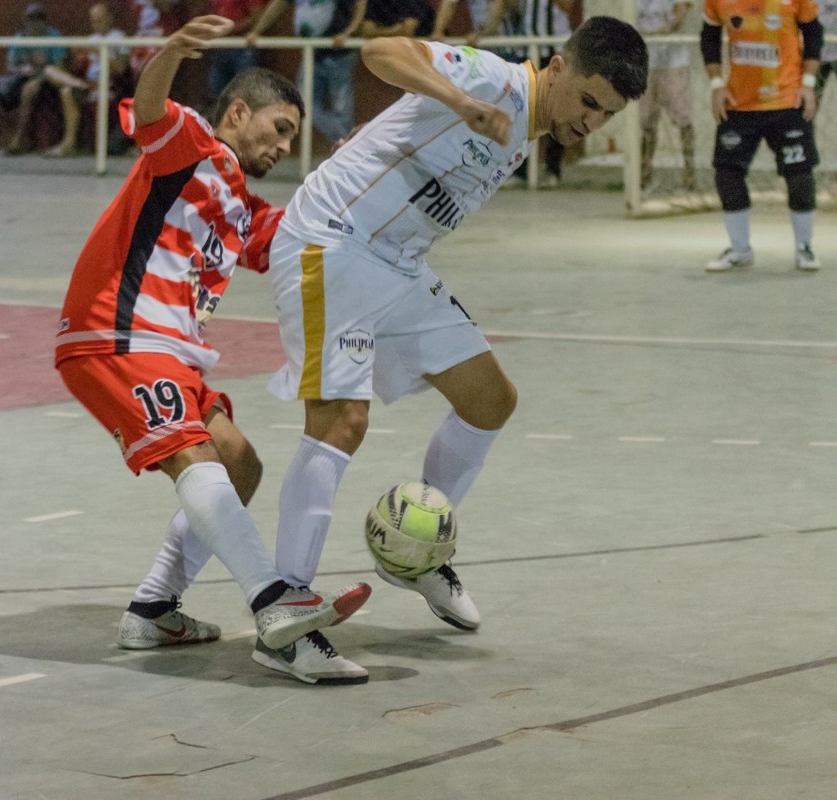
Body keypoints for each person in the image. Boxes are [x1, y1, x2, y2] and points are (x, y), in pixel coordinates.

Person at [261, 17, 647, 683]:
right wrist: (459, 100)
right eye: (587, 100)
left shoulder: (530, 131)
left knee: (490, 399)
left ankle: (415, 549)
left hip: (398, 264)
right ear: (556, 67)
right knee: (339, 421)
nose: (592, 122)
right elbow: (379, 51)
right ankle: (283, 614)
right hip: (334, 240)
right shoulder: (490, 80)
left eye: (606, 113)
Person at [54, 15, 371, 682]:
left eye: (293, 135)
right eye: (278, 128)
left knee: (238, 463)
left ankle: (155, 609)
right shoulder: (191, 146)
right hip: (120, 331)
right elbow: (146, 111)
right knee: (194, 456)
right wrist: (171, 51)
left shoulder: (243, 207)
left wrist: (357, 173)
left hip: (174, 347)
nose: (286, 145)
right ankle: (272, 600)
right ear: (235, 112)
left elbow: (301, 237)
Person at [702, 0, 824, 272]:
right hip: (739, 102)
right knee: (727, 172)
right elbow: (709, 35)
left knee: (800, 173)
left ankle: (804, 247)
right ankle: (740, 249)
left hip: (787, 100)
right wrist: (716, 84)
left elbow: (813, 32)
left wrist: (808, 84)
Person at [481, 0, 579, 187]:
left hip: (554, 47)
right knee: (522, 110)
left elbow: (567, 6)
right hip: (527, 48)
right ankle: (521, 169)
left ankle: (553, 169)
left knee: (558, 112)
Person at [245, 0, 367, 146]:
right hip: (312, 54)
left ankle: (351, 146)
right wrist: (256, 31)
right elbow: (278, 4)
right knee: (304, 104)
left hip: (339, 54)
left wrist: (350, 32)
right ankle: (351, 143)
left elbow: (360, 2)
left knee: (341, 110)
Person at [42, 2, 130, 157]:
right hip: (86, 84)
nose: (97, 24)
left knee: (68, 92)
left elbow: (121, 68)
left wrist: (98, 51)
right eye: (94, 20)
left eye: (100, 20)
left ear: (110, 19)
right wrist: (78, 56)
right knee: (55, 77)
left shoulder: (119, 38)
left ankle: (79, 87)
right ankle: (68, 144)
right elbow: (78, 67)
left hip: (106, 87)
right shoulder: (91, 39)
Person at [0, 2, 68, 156]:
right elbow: (10, 66)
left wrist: (39, 73)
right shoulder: (19, 38)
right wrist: (22, 69)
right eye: (31, 19)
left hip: (45, 82)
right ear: (25, 21)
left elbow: (59, 66)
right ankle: (6, 136)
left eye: (39, 19)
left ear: (45, 22)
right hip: (19, 80)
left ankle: (17, 139)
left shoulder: (54, 36)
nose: (35, 24)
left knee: (29, 90)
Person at [636, 0, 695, 194]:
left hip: (673, 60)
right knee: (645, 120)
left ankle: (689, 175)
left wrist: (660, 32)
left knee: (681, 115)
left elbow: (680, 15)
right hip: (647, 60)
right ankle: (644, 176)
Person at [204, 0, 265, 108]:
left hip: (242, 47)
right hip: (220, 47)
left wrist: (230, 29)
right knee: (215, 92)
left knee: (244, 93)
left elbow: (256, 16)